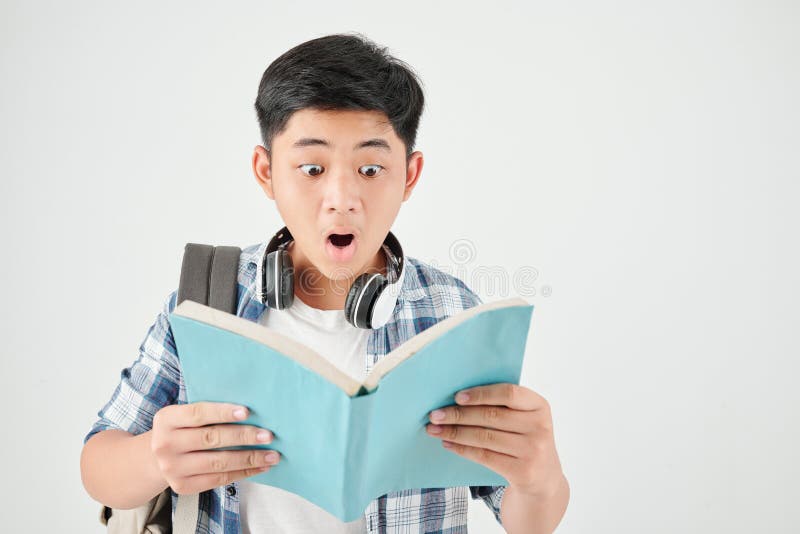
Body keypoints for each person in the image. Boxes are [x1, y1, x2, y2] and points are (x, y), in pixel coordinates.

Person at [79, 32, 569, 534]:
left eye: (372, 168)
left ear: (410, 176)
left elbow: (525, 519)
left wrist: (540, 480)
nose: (342, 197)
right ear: (266, 171)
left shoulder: (452, 314)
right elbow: (99, 465)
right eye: (311, 168)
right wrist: (156, 460)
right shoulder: (207, 298)